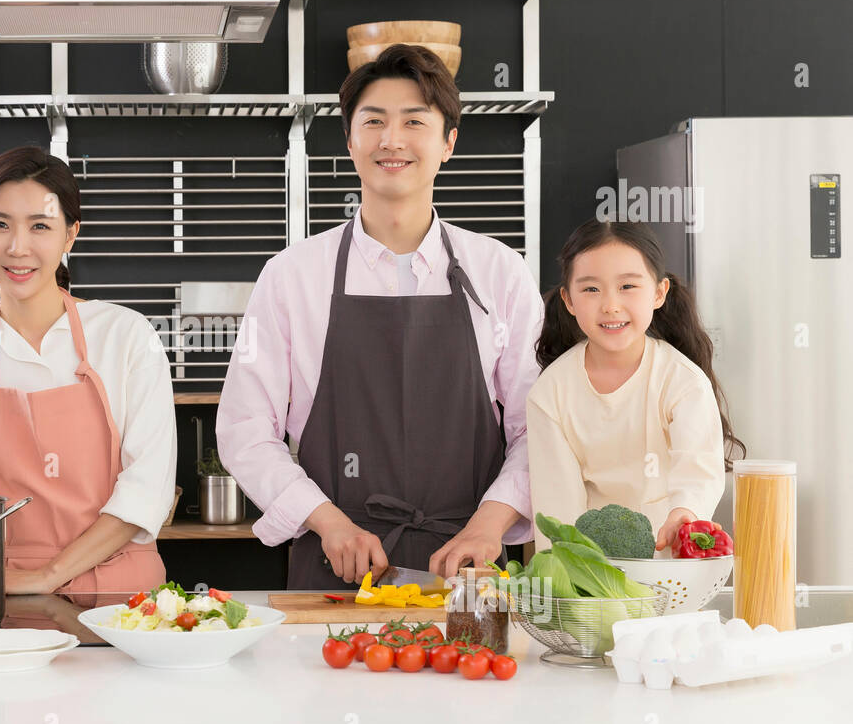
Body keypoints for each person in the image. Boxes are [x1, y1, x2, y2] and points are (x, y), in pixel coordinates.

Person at [216, 44, 544, 586]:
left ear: (448, 143)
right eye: (374, 121)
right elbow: (245, 429)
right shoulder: (292, 275)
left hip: (469, 572)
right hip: (336, 567)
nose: (392, 140)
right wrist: (328, 522)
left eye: (414, 121)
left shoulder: (501, 272)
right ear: (350, 141)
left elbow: (539, 428)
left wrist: (490, 523)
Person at [0, 145, 174, 594]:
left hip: (121, 593)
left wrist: (48, 576)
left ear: (71, 235)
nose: (18, 247)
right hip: (3, 587)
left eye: (41, 226)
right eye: (0, 225)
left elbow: (148, 488)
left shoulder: (127, 336)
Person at [527, 218, 743, 552]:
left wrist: (684, 513)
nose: (611, 304)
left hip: (670, 566)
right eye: (590, 289)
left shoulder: (681, 381)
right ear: (568, 301)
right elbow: (557, 510)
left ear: (659, 292)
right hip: (590, 576)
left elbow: (697, 472)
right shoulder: (550, 393)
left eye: (627, 286)